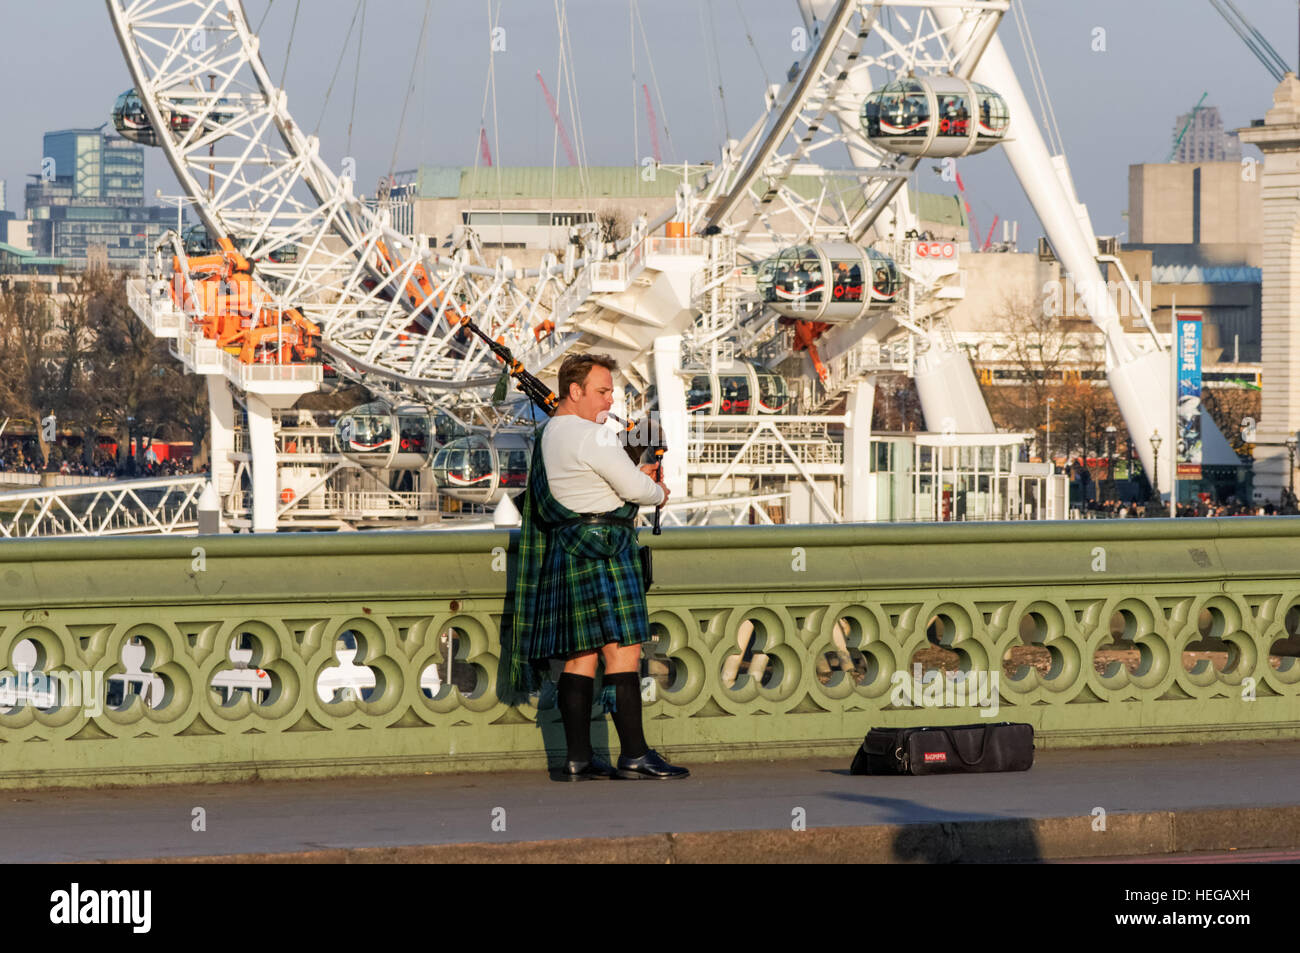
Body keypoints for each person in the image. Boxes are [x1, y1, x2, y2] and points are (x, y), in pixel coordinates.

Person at [508, 353, 689, 782]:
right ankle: (635, 755)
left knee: (580, 658)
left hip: (568, 547)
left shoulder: (551, 433)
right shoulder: (594, 437)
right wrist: (656, 489)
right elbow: (635, 489)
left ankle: (578, 759)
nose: (610, 400)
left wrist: (633, 476)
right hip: (606, 548)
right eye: (603, 391)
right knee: (622, 652)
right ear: (576, 391)